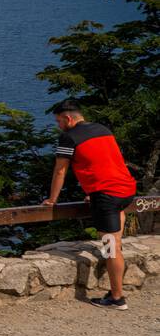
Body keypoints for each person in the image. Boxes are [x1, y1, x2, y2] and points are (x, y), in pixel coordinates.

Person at [43, 99, 137, 310]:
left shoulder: (68, 137)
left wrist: (52, 199)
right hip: (126, 190)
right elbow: (105, 160)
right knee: (116, 243)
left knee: (111, 248)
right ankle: (116, 290)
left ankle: (117, 298)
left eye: (59, 121)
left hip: (107, 196)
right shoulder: (103, 129)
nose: (58, 125)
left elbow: (60, 170)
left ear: (68, 118)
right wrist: (92, 191)